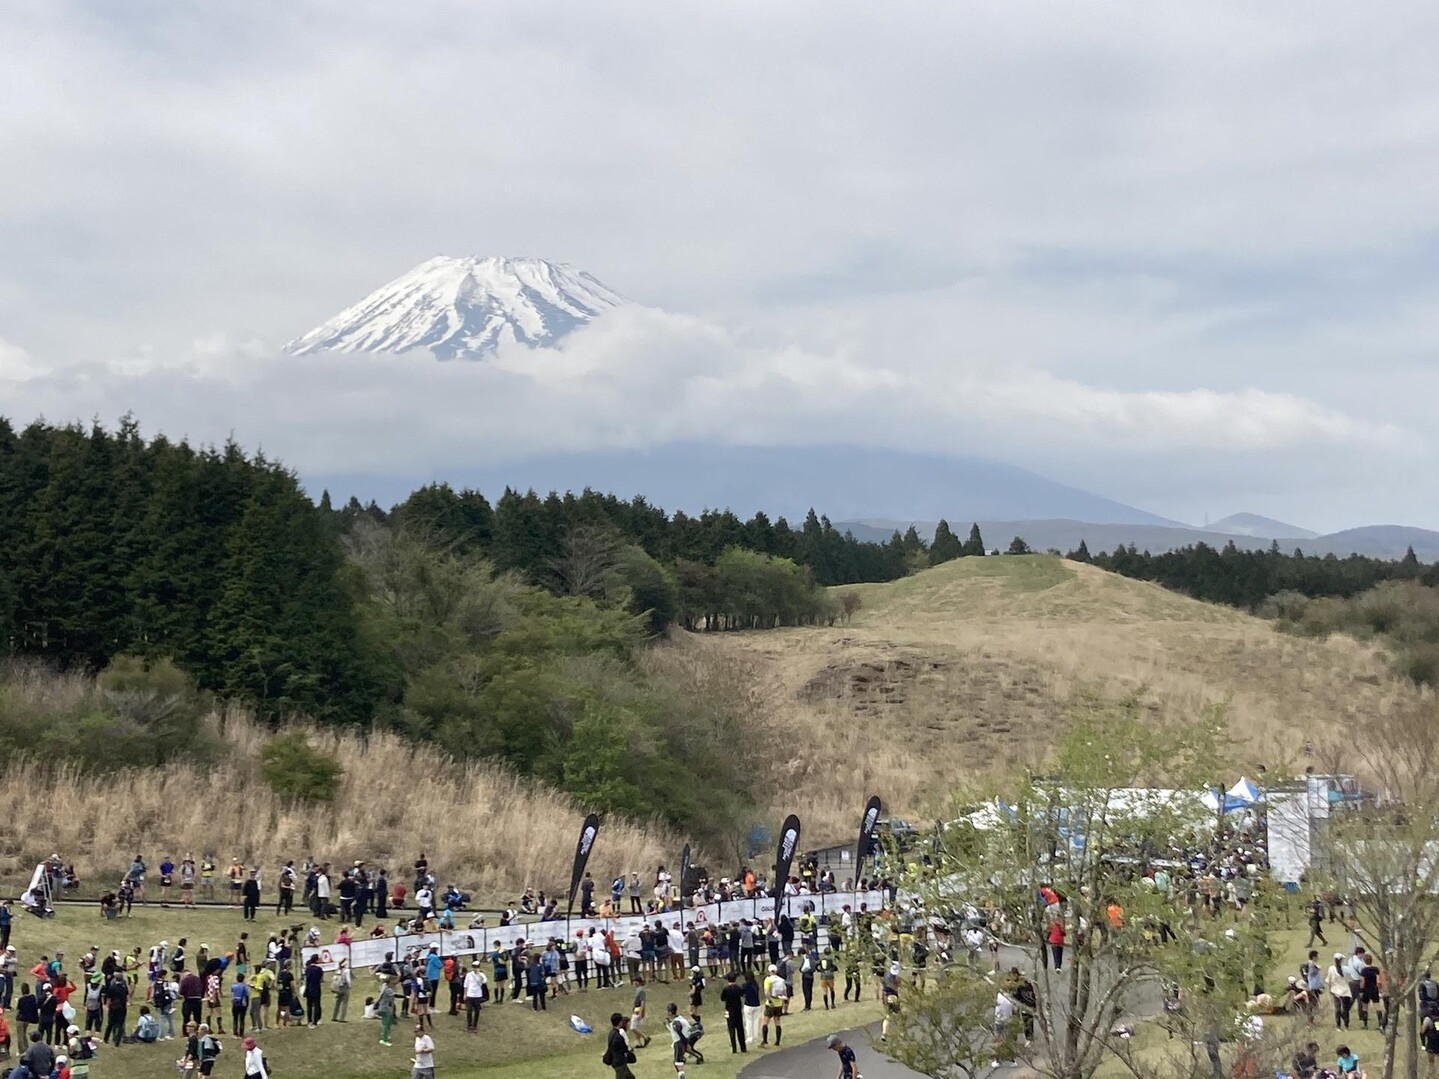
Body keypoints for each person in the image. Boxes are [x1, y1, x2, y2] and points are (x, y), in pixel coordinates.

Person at [605, 1012, 637, 1079]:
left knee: (630, 1077)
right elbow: (624, 1049)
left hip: (615, 1060)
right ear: (620, 1022)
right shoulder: (618, 1037)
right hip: (620, 1062)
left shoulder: (611, 1033)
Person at [719, 972, 746, 1053]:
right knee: (740, 1029)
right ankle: (743, 1047)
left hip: (729, 1011)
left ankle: (734, 1048)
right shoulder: (738, 988)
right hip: (738, 1010)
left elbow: (722, 998)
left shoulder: (726, 989)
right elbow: (742, 994)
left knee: (731, 1029)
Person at [761, 964, 785, 1046]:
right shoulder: (781, 980)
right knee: (777, 1022)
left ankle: (765, 1040)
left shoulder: (768, 980)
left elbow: (767, 992)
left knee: (765, 1022)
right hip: (779, 1003)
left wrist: (770, 1000)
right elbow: (784, 992)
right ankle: (777, 1041)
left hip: (770, 1004)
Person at [463, 960, 486, 1033]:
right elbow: (465, 985)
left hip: (477, 995)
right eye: (474, 967)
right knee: (469, 1011)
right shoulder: (469, 975)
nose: (476, 968)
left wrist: (479, 974)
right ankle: (469, 1025)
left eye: (477, 967)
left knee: (477, 1011)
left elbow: (485, 981)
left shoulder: (481, 974)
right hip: (470, 995)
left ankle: (475, 1026)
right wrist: (465, 994)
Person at [303, 954, 324, 1027]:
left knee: (309, 1005)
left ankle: (309, 1021)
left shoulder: (307, 969)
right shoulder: (319, 969)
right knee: (317, 1005)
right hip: (316, 988)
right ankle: (315, 1021)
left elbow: (306, 979)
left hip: (309, 988)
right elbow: (321, 979)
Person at [376, 973, 396, 1046]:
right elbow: (395, 995)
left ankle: (385, 1035)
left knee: (386, 1023)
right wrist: (406, 997)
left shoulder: (382, 987)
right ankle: (384, 1039)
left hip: (383, 1007)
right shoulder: (388, 989)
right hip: (386, 1008)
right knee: (386, 1024)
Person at [629, 976, 650, 1047]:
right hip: (636, 1008)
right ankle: (639, 1043)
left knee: (633, 1027)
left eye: (636, 981)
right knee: (636, 1027)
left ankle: (645, 1037)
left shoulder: (641, 991)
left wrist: (641, 1012)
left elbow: (642, 1002)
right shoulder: (638, 990)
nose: (634, 983)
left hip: (638, 1008)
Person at [331, 958, 352, 1022]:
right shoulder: (346, 970)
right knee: (344, 1003)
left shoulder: (337, 970)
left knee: (337, 1002)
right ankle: (342, 1018)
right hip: (344, 986)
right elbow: (348, 980)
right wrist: (349, 986)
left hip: (338, 987)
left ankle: (334, 1016)